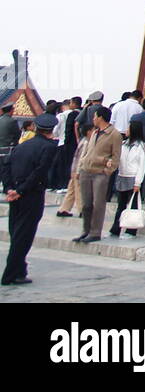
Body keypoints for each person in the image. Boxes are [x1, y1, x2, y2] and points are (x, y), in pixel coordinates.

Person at [3, 113, 58, 285]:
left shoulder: (22, 145)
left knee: (16, 233)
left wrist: (10, 188)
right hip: (31, 194)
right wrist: (20, 190)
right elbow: (39, 172)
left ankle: (20, 270)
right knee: (23, 235)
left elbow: (6, 166)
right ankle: (10, 274)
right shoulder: (48, 147)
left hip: (16, 193)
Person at [73, 106, 121, 244]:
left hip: (100, 173)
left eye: (95, 116)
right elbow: (88, 151)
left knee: (98, 204)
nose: (93, 119)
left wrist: (108, 171)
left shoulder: (114, 134)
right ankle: (85, 230)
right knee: (86, 204)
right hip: (86, 170)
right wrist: (81, 167)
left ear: (100, 117)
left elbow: (116, 157)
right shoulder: (94, 133)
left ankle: (95, 232)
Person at [108, 121, 145, 238]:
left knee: (133, 206)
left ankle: (131, 230)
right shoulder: (123, 144)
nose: (126, 130)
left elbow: (142, 165)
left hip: (133, 177)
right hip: (122, 176)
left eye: (128, 128)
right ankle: (116, 228)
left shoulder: (141, 146)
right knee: (120, 205)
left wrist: (138, 182)